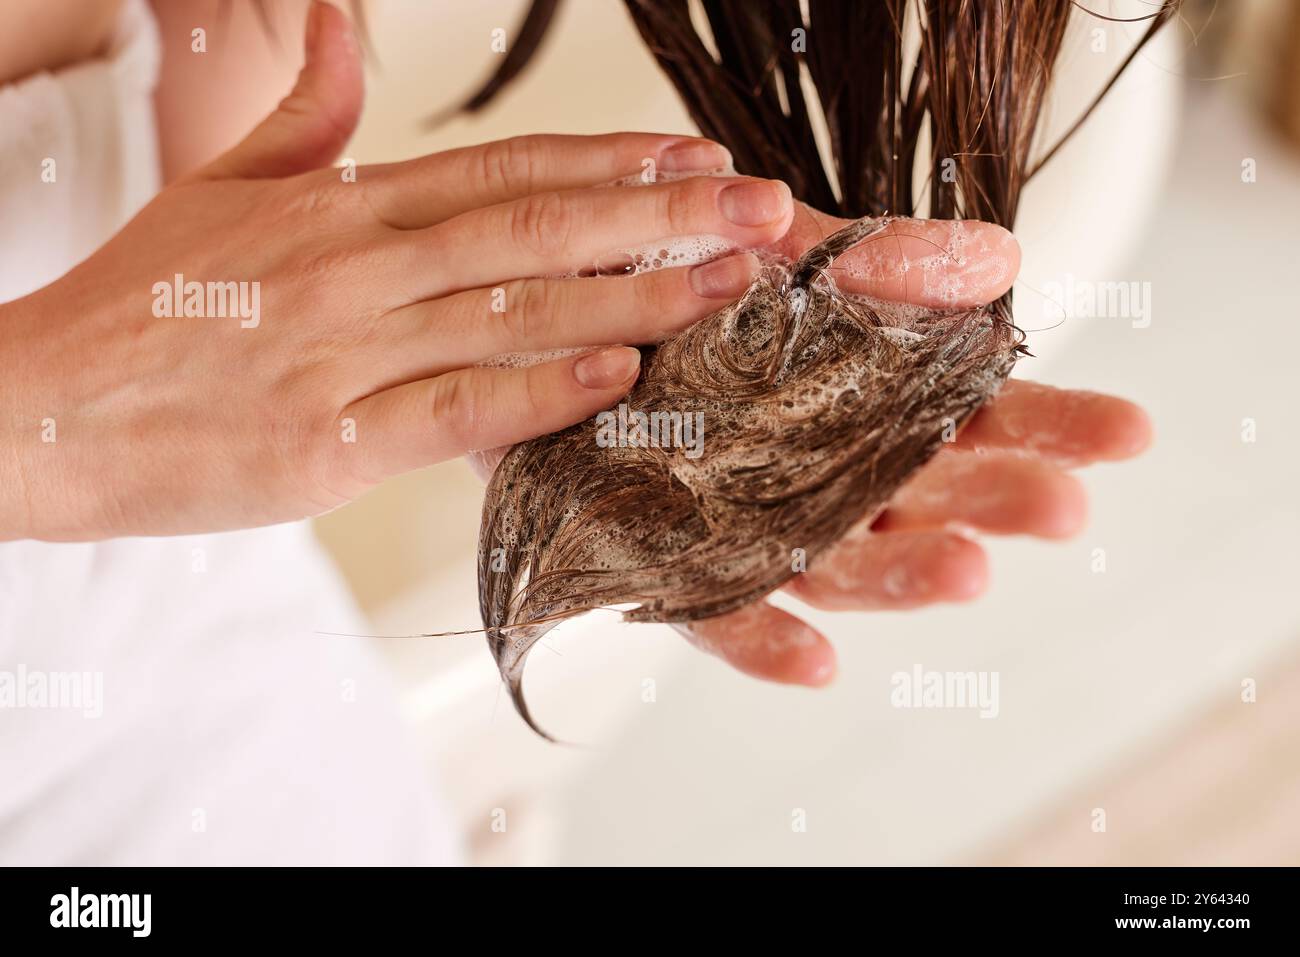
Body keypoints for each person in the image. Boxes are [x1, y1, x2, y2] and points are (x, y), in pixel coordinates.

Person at [0, 0, 1151, 864]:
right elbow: (128, 367)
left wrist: (466, 321)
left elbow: (194, 243)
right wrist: (45, 422)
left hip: (268, 749)